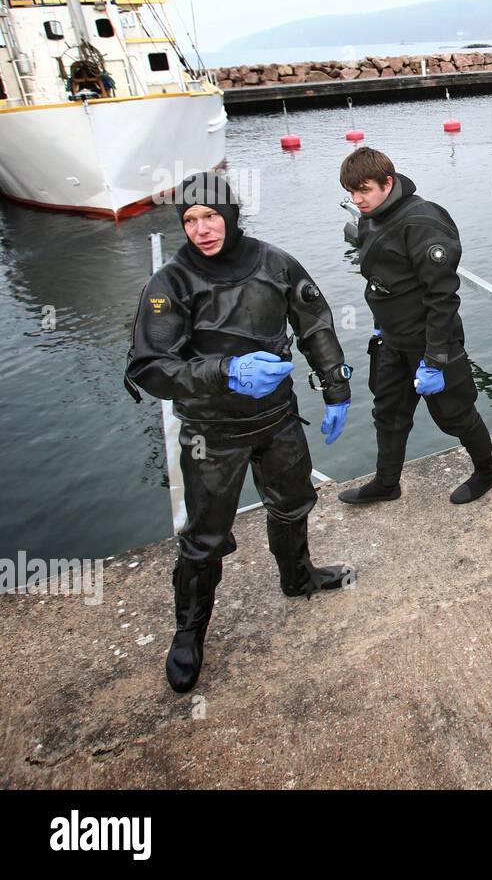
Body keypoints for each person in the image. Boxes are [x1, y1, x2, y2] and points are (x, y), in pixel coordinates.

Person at [125, 172, 355, 693]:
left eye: (210, 217)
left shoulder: (275, 262)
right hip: (212, 431)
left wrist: (336, 387)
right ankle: (189, 631)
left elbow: (315, 322)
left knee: (294, 503)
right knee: (204, 539)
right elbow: (149, 366)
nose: (201, 230)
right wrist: (224, 371)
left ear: (230, 216)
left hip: (277, 418)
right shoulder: (170, 284)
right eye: (189, 220)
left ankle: (298, 578)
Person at [337, 146, 492, 507]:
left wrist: (436, 357)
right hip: (392, 339)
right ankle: (386, 483)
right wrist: (381, 327)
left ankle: (488, 470)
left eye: (364, 189)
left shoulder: (422, 221)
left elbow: (442, 295)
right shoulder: (370, 217)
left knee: (455, 414)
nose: (357, 199)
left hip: (430, 341)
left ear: (388, 182)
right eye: (351, 192)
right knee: (388, 413)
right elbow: (382, 279)